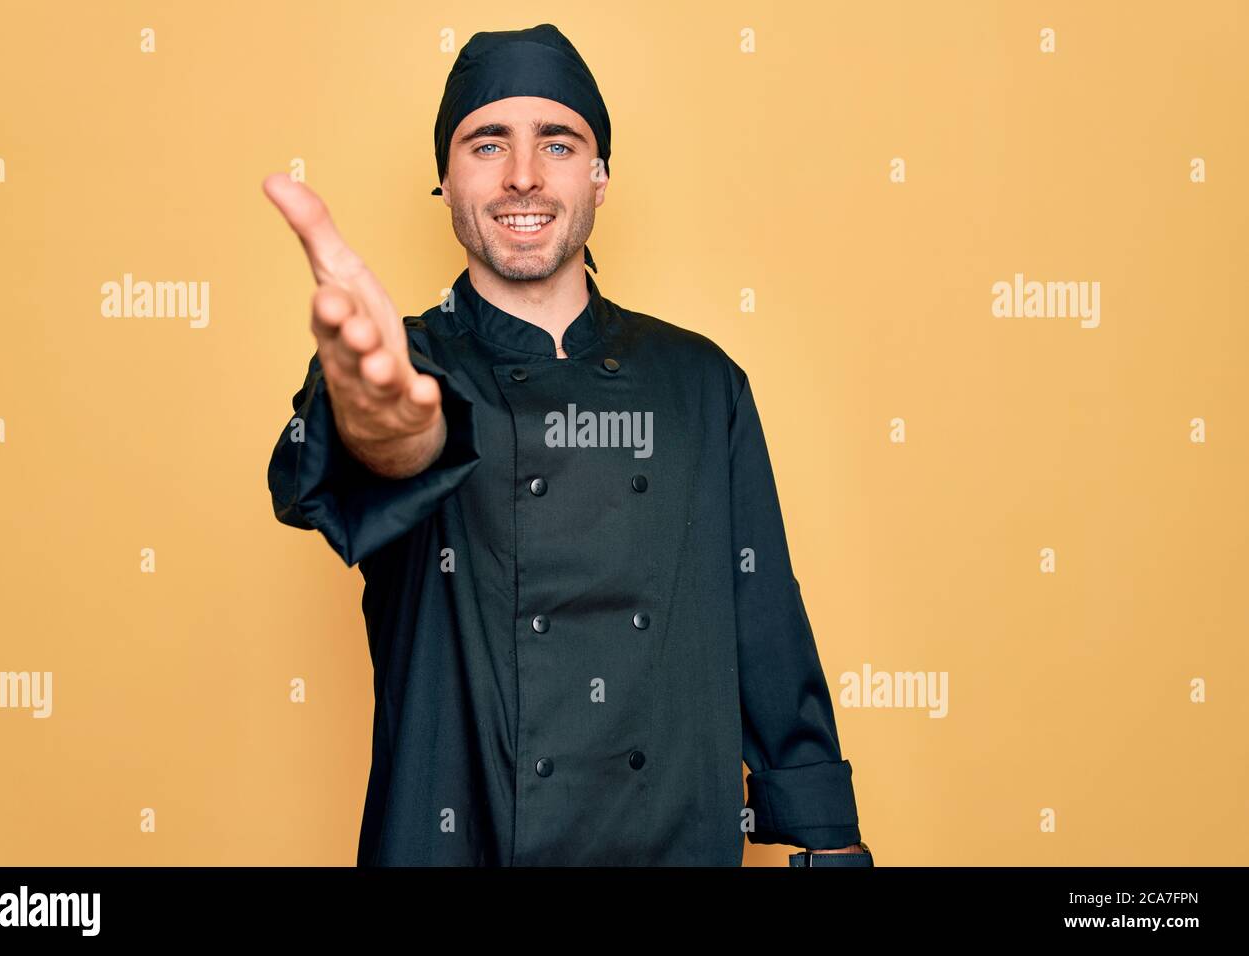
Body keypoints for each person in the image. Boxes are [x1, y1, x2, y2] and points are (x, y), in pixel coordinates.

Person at [265, 22, 872, 867]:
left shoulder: (702, 383)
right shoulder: (397, 361)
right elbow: (340, 463)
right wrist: (391, 427)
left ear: (600, 175)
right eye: (487, 144)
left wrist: (826, 839)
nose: (522, 175)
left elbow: (764, 617)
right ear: (444, 177)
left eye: (557, 142)